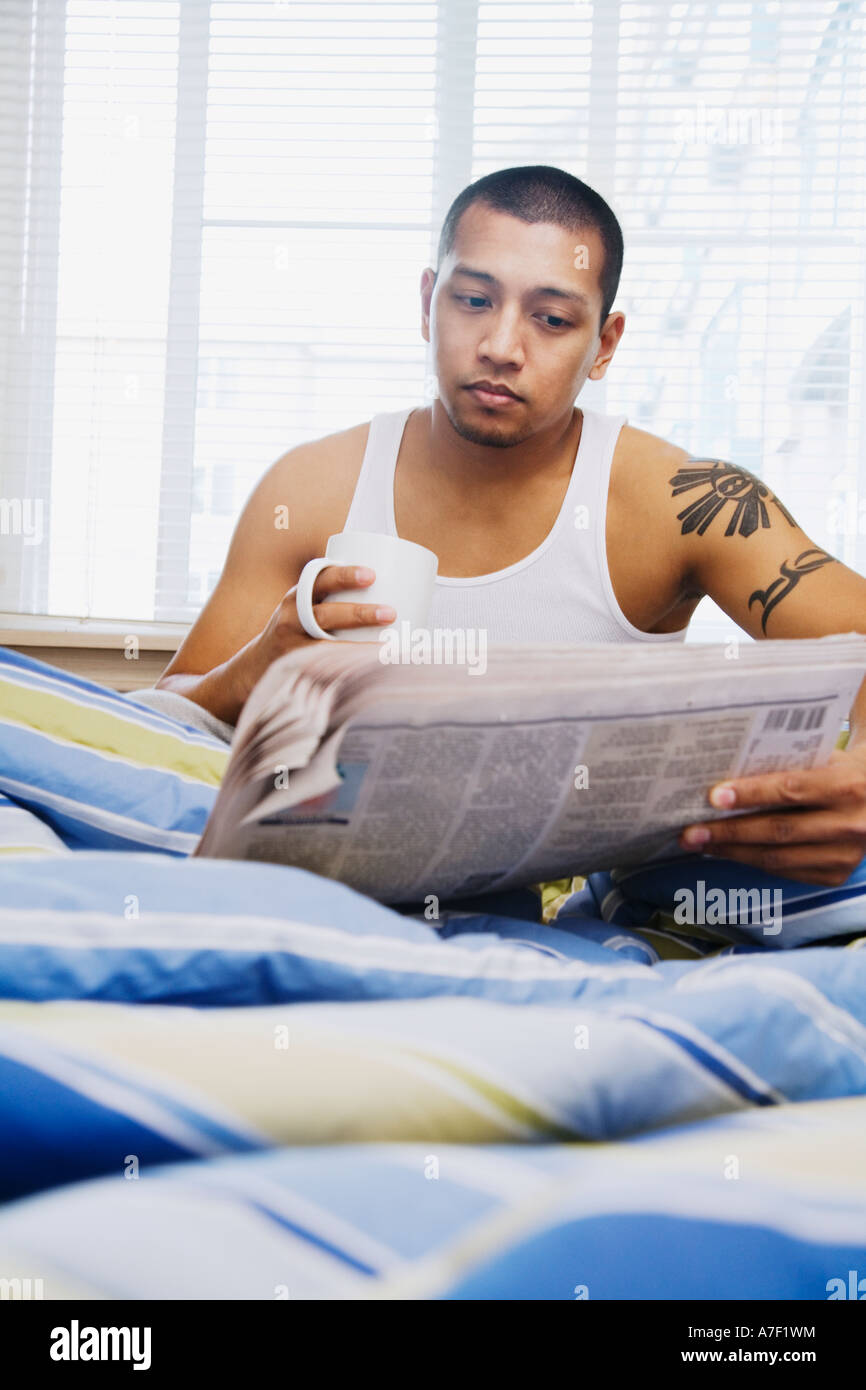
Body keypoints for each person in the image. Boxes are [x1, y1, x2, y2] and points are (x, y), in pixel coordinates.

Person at [154, 164, 866, 890]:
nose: (501, 345)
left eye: (552, 319)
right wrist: (252, 675)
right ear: (429, 302)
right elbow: (158, 730)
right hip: (338, 890)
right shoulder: (309, 487)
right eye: (472, 300)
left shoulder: (681, 501)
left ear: (606, 344)